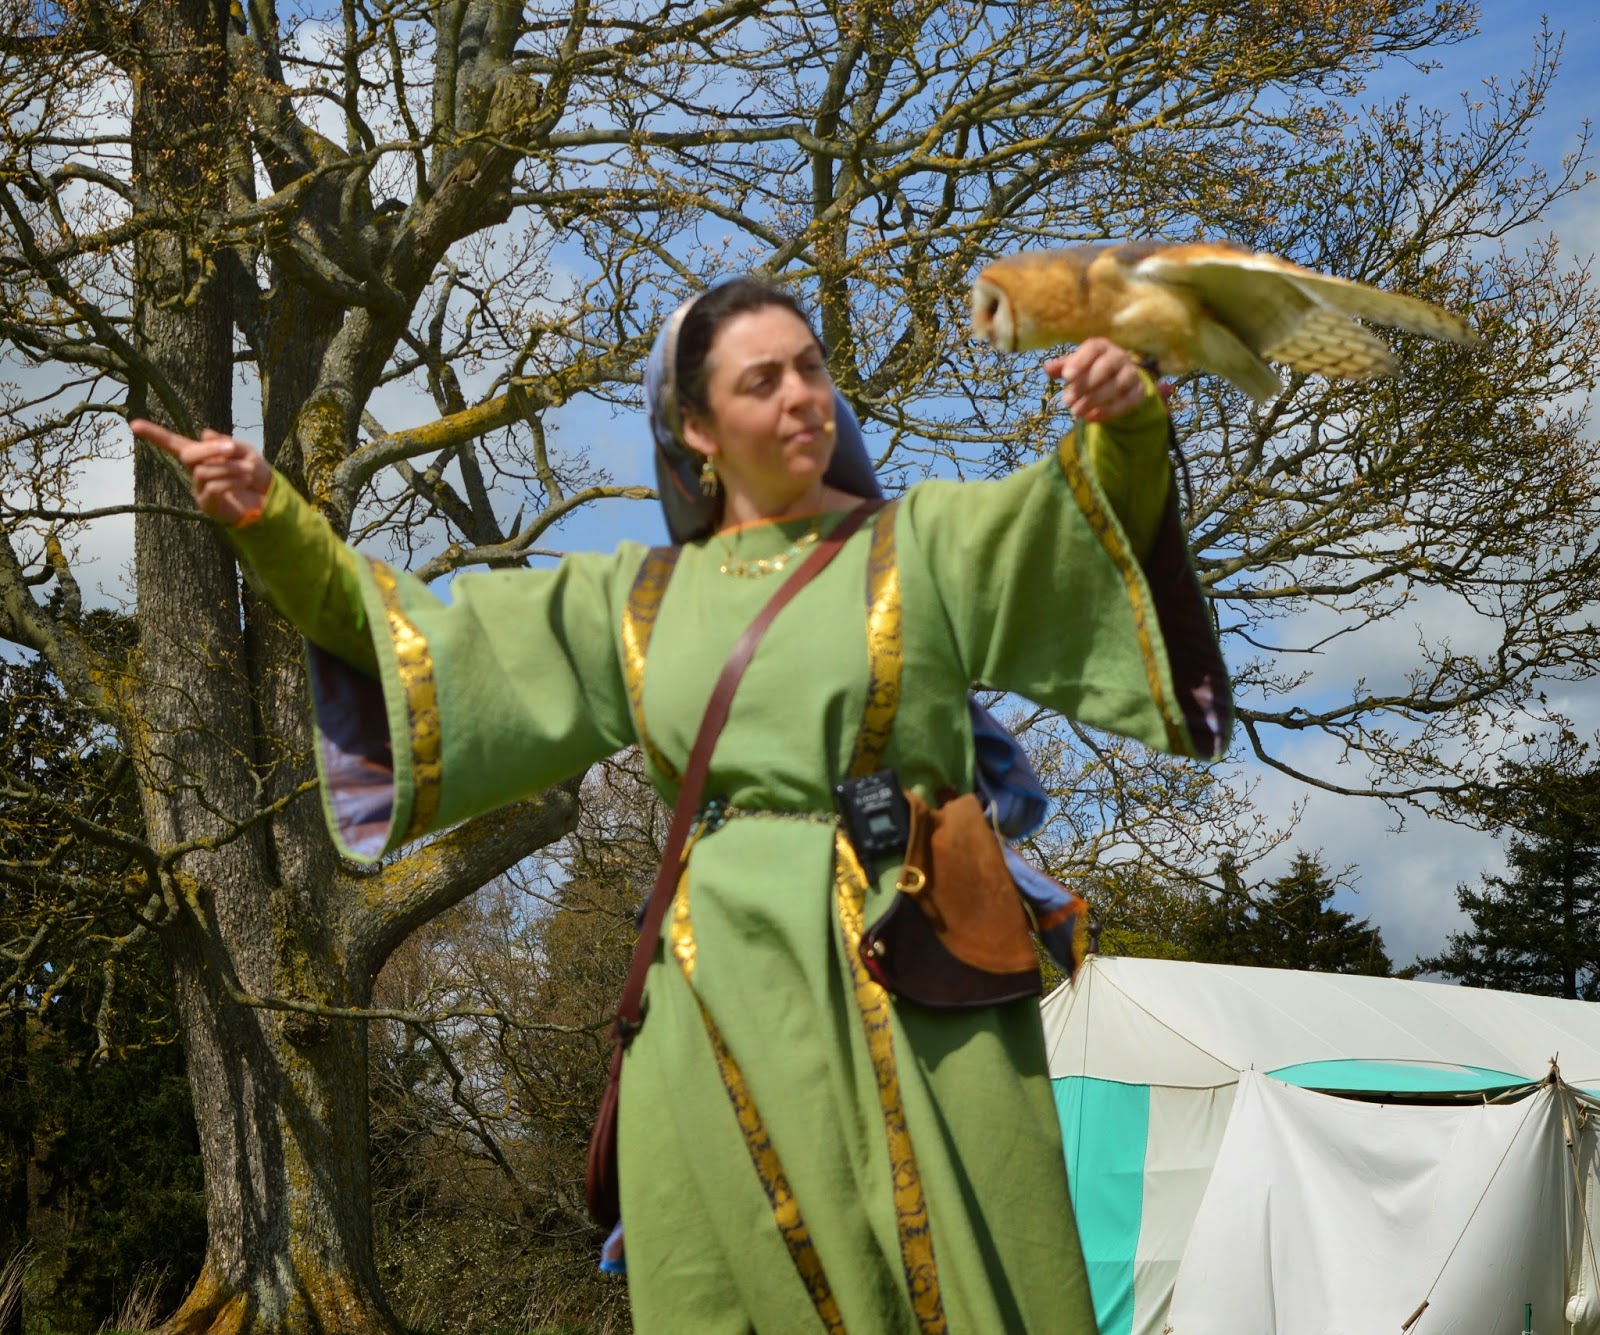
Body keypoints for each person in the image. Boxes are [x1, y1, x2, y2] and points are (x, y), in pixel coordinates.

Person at [133, 276, 1230, 1333]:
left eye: (811, 369)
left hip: (910, 970)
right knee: (716, 1275)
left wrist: (1124, 428)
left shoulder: (926, 546)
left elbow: (1079, 528)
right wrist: (271, 519)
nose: (801, 394)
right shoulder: (637, 602)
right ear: (696, 429)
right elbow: (427, 652)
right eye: (762, 382)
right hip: (710, 994)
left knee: (948, 1265)